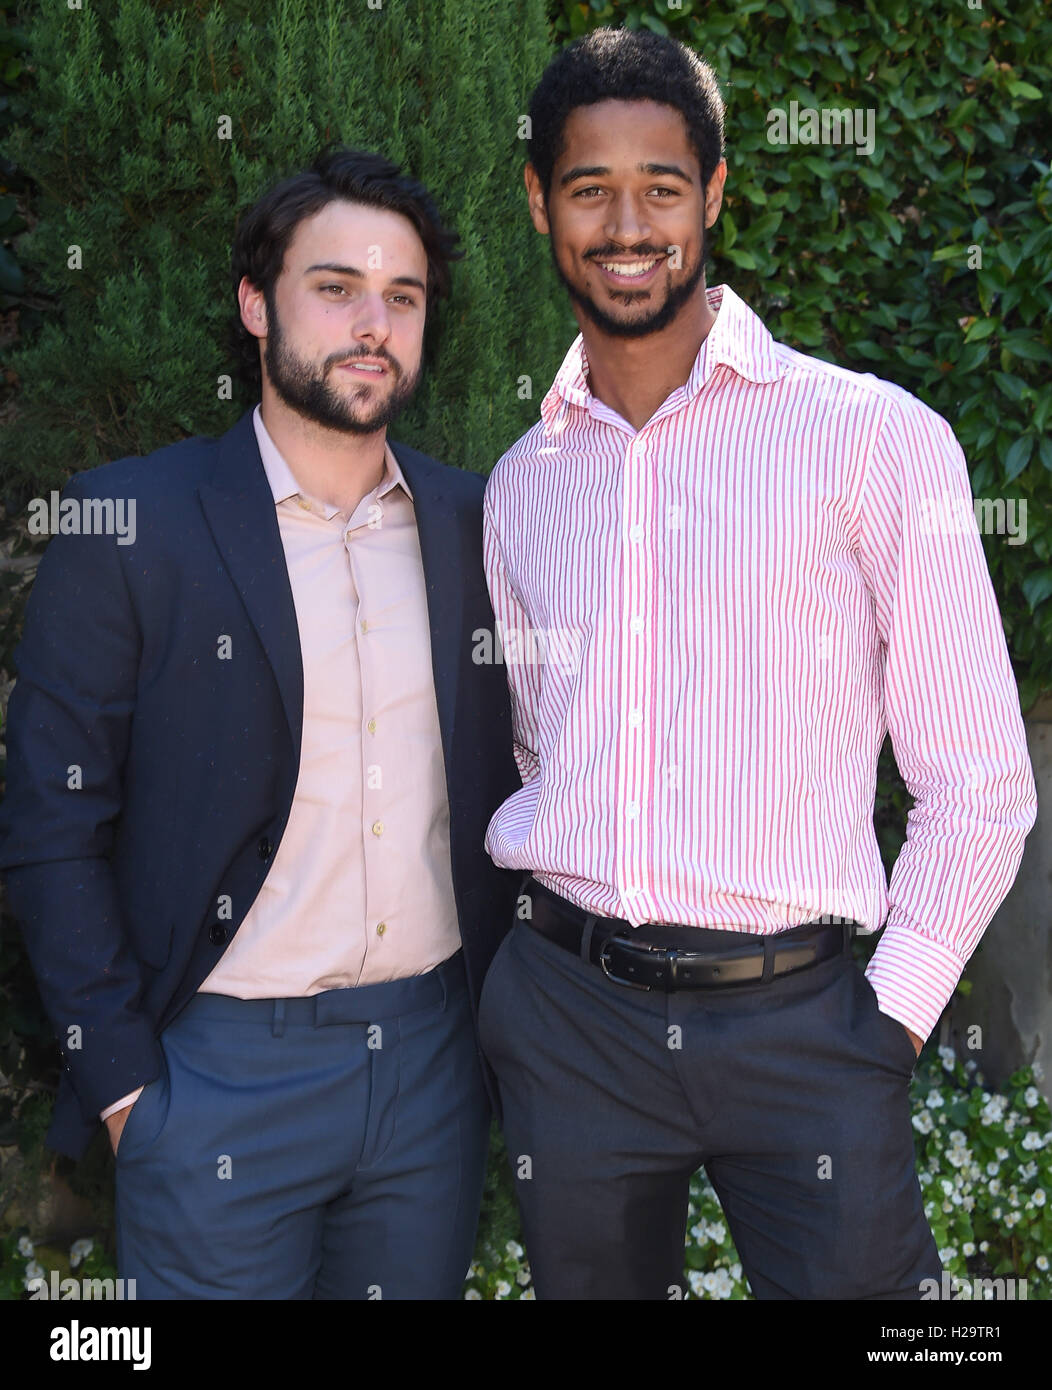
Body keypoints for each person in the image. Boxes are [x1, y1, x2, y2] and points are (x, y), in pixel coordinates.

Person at [477, 29, 1038, 1300]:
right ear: (538, 204)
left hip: (803, 1025)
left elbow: (980, 784)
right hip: (570, 1023)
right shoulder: (522, 486)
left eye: (661, 187)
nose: (627, 224)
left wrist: (885, 1019)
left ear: (715, 193)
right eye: (588, 189)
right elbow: (537, 746)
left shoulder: (876, 441)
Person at [0, 145, 520, 1299]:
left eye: (402, 295)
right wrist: (132, 1092)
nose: (371, 323)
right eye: (333, 287)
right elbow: (51, 829)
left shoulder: (479, 523)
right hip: (217, 1071)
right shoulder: (133, 522)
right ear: (255, 304)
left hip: (428, 1067)